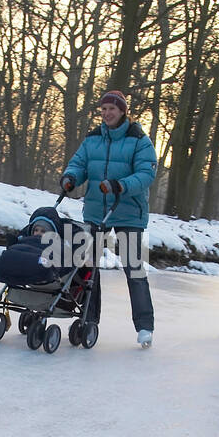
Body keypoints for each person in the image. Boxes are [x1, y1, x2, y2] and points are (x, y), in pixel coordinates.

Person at [61, 89, 157, 347]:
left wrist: (120, 185)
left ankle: (145, 325)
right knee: (86, 266)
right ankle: (88, 318)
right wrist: (71, 178)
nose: (107, 113)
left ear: (123, 111)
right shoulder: (92, 139)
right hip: (95, 211)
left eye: (112, 109)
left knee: (134, 269)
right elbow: (79, 164)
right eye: (103, 109)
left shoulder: (139, 140)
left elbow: (146, 174)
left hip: (129, 213)